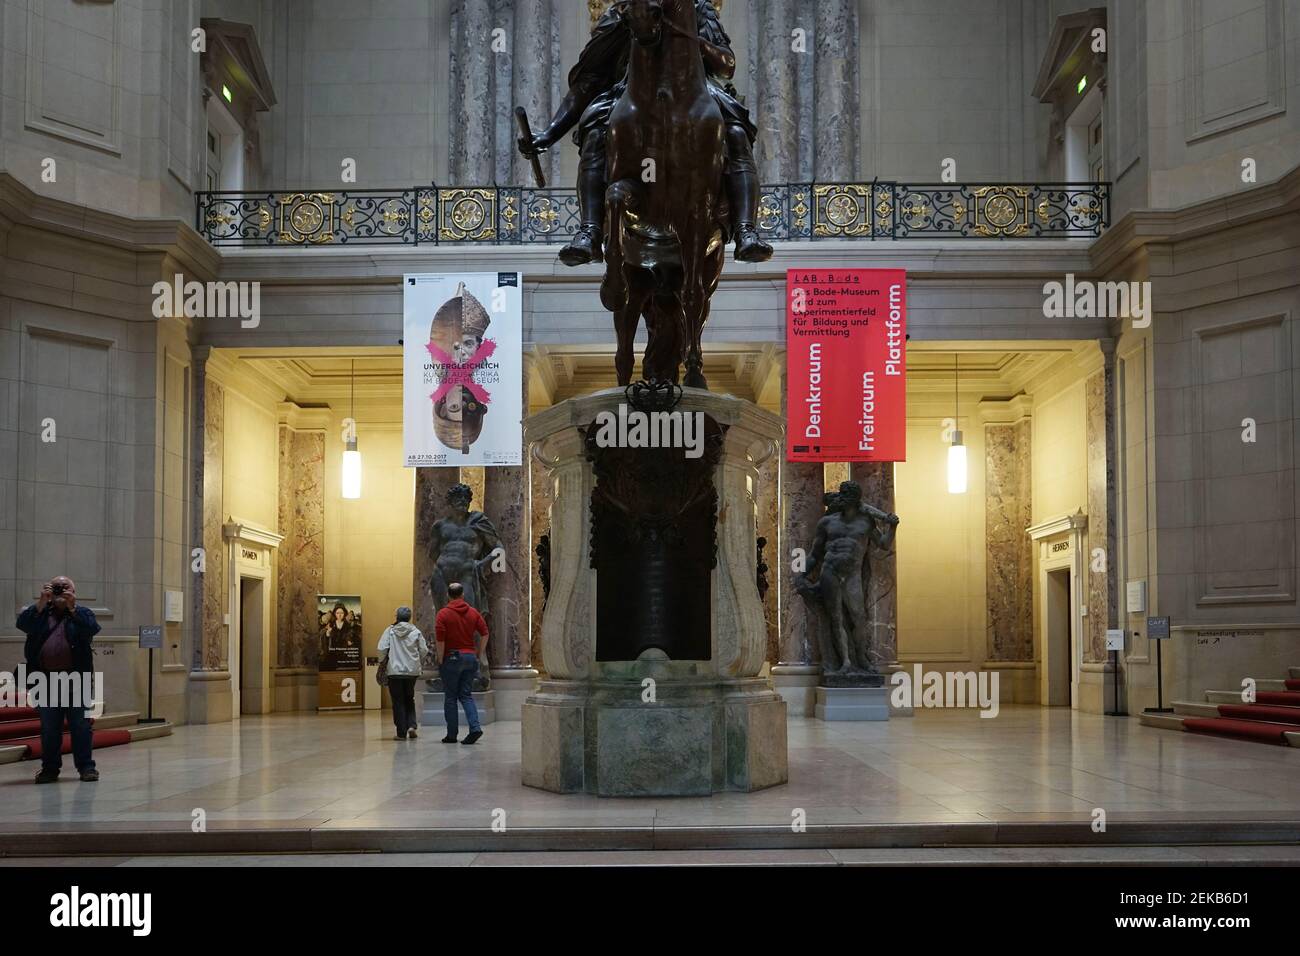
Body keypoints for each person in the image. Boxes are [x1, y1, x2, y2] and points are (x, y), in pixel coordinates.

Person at [519, 0, 772, 266]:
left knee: (735, 131)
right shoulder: (619, 15)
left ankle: (746, 230)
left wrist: (694, 41)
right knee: (594, 131)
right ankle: (590, 231)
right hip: (627, 92)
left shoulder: (697, 9)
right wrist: (548, 134)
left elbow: (726, 65)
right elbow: (588, 81)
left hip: (698, 91)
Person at [15, 576, 101, 783]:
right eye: (56, 587)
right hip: (45, 680)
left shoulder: (82, 612)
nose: (61, 590)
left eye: (66, 587)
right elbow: (23, 624)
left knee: (80, 725)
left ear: (74, 591)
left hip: (76, 679)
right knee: (49, 727)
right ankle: (50, 769)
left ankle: (86, 768)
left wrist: (72, 608)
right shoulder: (39, 613)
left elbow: (91, 628)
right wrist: (41, 602)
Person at [434, 582, 488, 745]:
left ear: (448, 596)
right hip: (470, 657)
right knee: (466, 695)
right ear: (462, 595)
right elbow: (485, 633)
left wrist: (440, 658)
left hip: (451, 658)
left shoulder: (443, 614)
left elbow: (440, 640)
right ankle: (475, 728)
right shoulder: (473, 612)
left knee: (450, 697)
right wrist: (479, 652)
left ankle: (452, 735)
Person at [377, 606, 428, 741]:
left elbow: (381, 648)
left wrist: (382, 661)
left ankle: (401, 732)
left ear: (397, 617)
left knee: (398, 701)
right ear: (409, 617)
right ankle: (411, 725)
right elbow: (424, 650)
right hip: (412, 671)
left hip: (394, 671)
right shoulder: (416, 631)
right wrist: (416, 659)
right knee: (409, 698)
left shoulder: (390, 631)